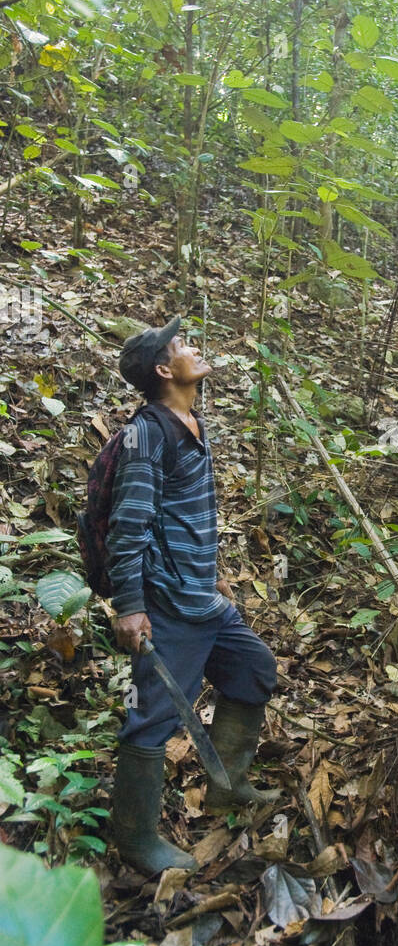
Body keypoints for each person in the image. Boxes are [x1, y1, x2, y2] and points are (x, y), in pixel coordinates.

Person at [107, 314, 278, 875]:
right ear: (163, 370)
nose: (192, 348)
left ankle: (228, 787)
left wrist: (213, 572)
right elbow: (128, 528)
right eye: (180, 346)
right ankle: (135, 838)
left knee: (253, 669)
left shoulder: (192, 423)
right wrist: (130, 607)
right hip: (167, 606)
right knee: (153, 719)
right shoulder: (148, 435)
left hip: (202, 596)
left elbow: (184, 516)